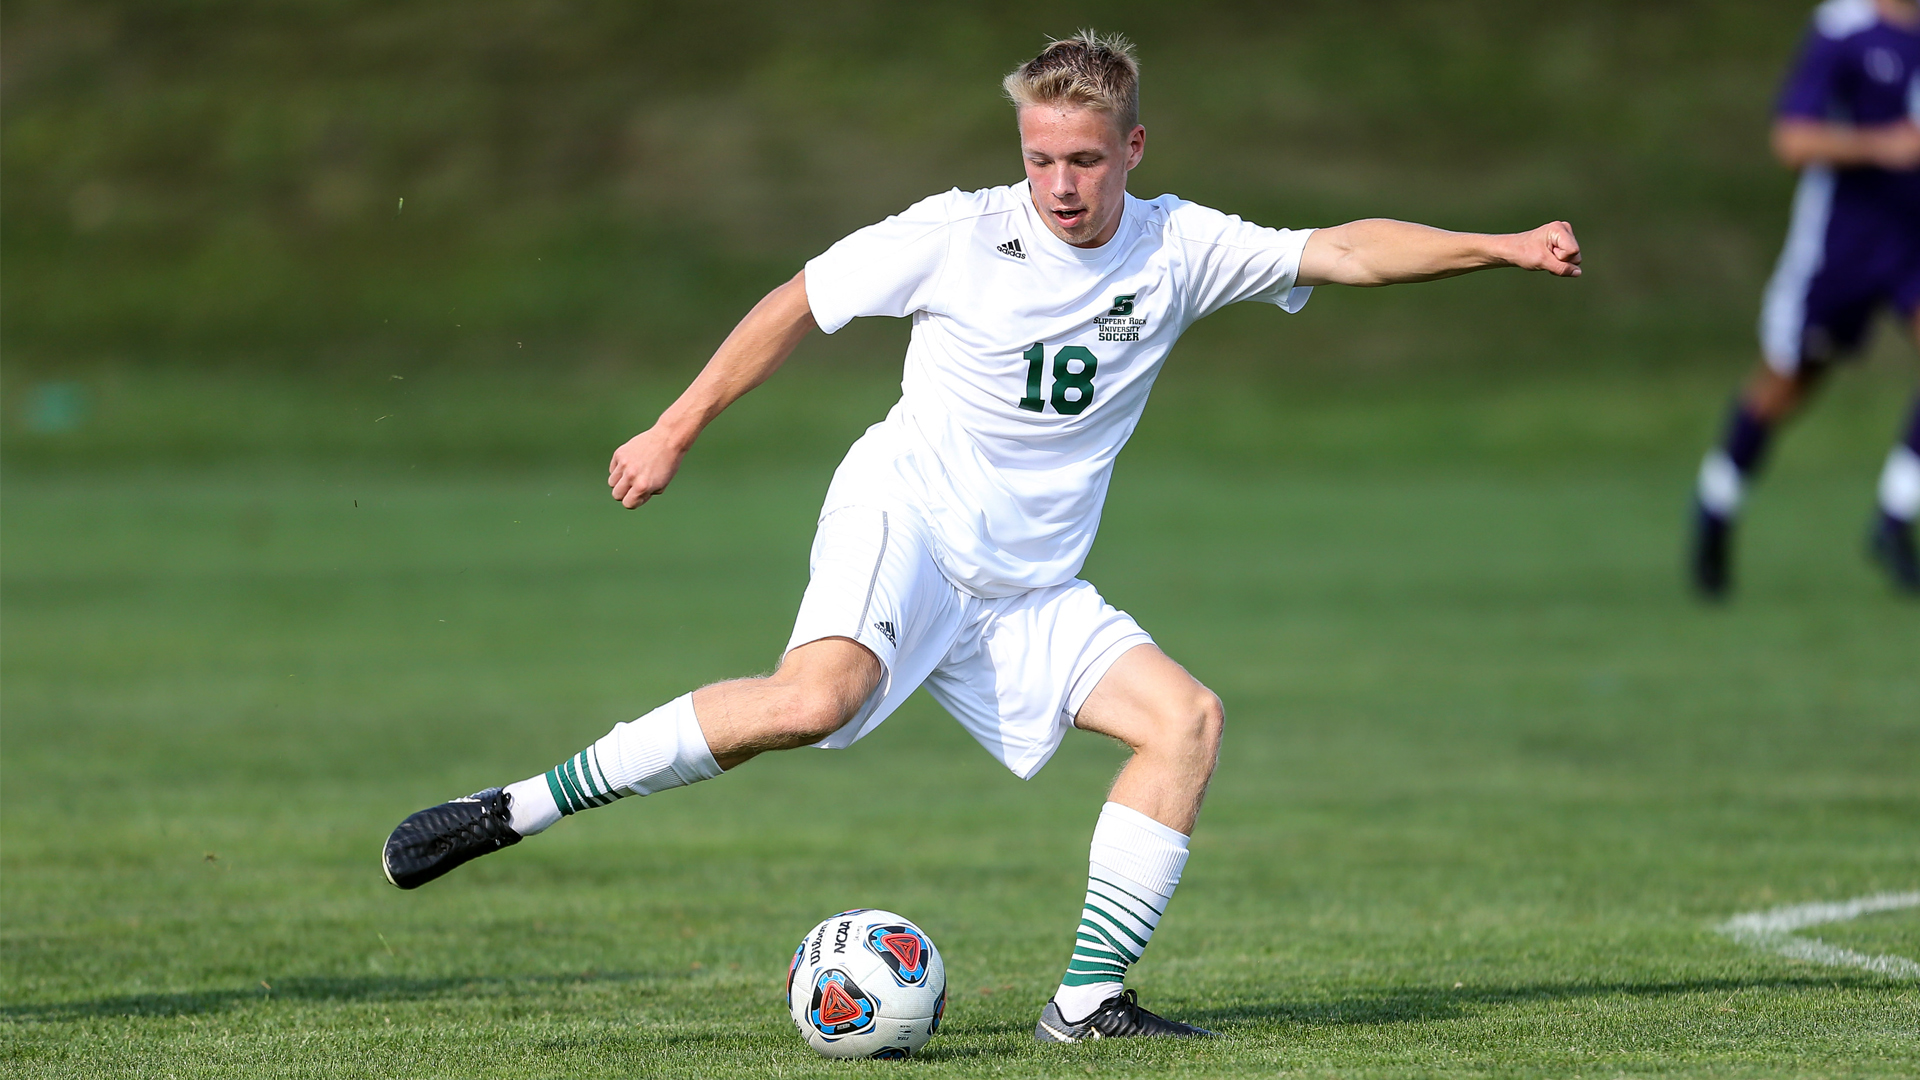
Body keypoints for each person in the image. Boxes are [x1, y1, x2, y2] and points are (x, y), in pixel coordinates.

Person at [382, 31, 1581, 1043]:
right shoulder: (957, 232)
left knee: (1187, 722)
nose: (1061, 185)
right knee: (814, 703)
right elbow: (799, 300)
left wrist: (1502, 245)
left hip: (1029, 585)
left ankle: (1087, 1003)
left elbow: (1347, 247)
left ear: (1134, 151)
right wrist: (676, 424)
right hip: (909, 516)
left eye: (1085, 161)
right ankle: (518, 808)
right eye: (1041, 158)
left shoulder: (1178, 246)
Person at [1691, 0, 1920, 598]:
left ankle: (1894, 519)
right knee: (1787, 386)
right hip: (1840, 247)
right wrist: (1881, 146)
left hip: (1914, 242)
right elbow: (1792, 140)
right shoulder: (1843, 29)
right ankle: (1716, 504)